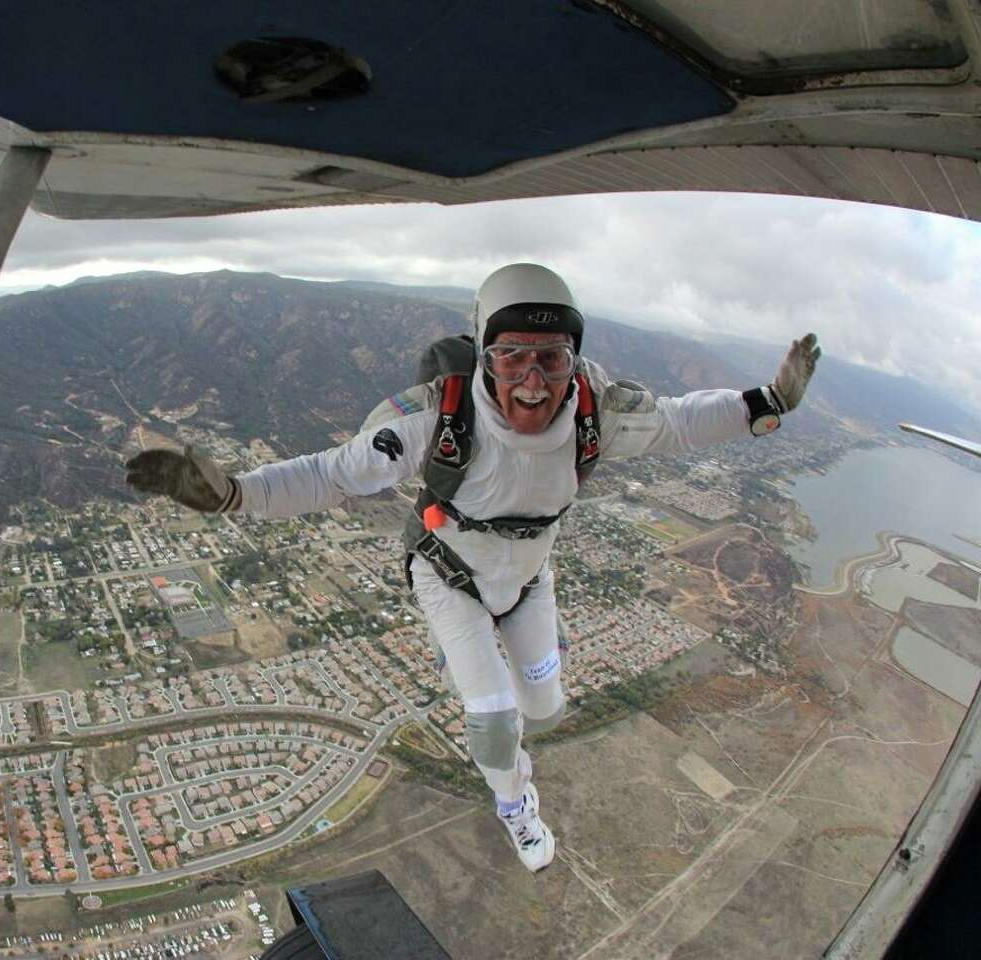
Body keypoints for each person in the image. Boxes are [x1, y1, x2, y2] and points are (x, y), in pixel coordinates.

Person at [124, 263, 821, 872]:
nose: (532, 380)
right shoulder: (438, 419)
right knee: (493, 720)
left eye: (551, 358)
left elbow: (679, 421)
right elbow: (332, 475)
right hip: (448, 575)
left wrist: (770, 402)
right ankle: (517, 809)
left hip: (526, 582)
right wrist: (233, 495)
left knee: (544, 713)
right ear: (484, 355)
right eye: (512, 356)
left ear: (574, 361)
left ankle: (523, 674)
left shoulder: (592, 412)